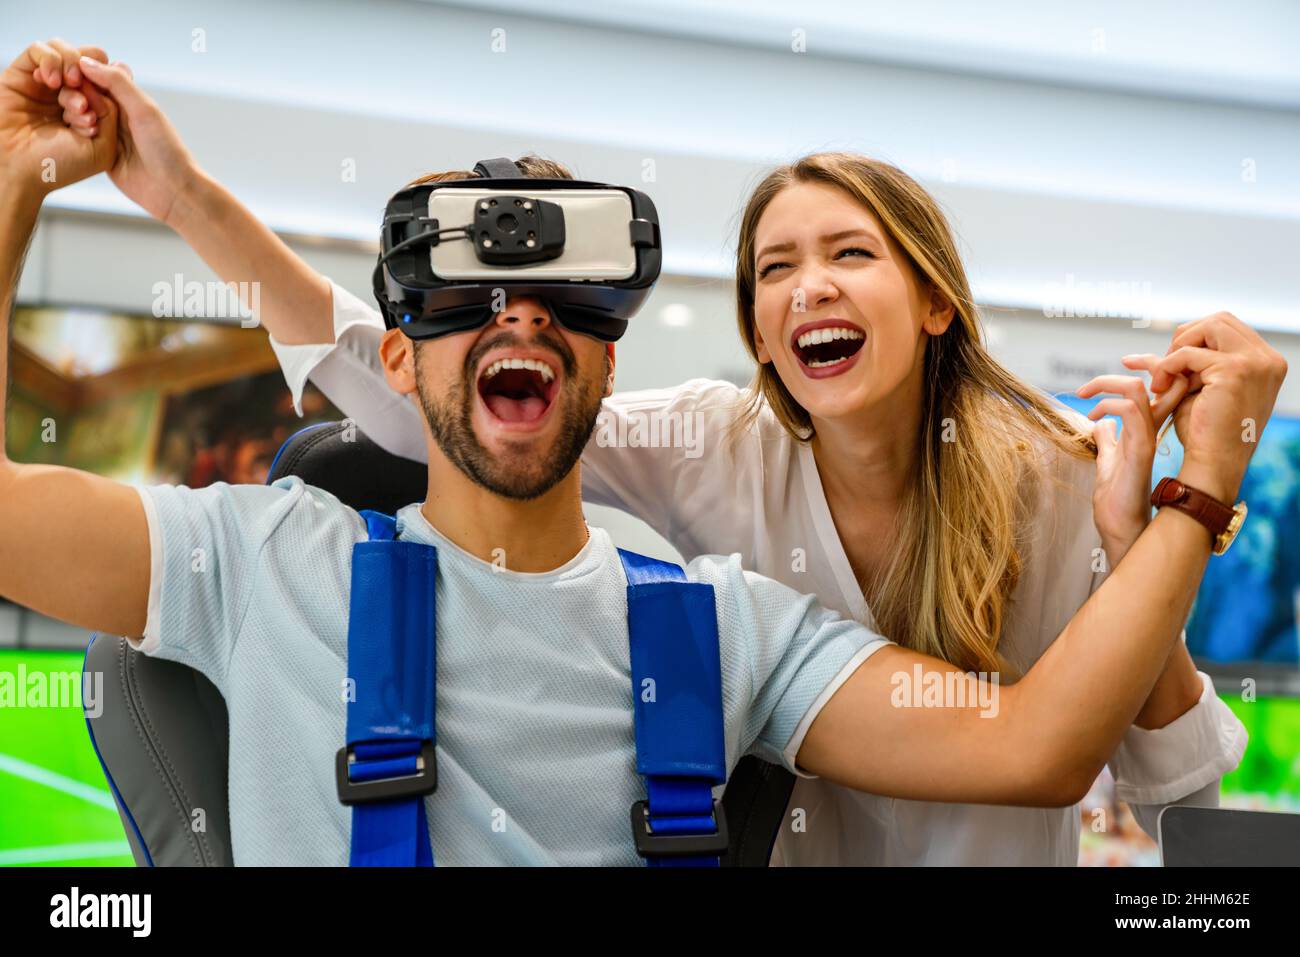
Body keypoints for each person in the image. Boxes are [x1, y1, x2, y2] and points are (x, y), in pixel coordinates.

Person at [6, 40, 1285, 866]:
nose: (519, 316)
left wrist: (1180, 509)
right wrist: (44, 183)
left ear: (609, 367)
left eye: (568, 301)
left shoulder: (732, 627)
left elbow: (1056, 754)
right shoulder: (264, 560)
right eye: (464, 298)